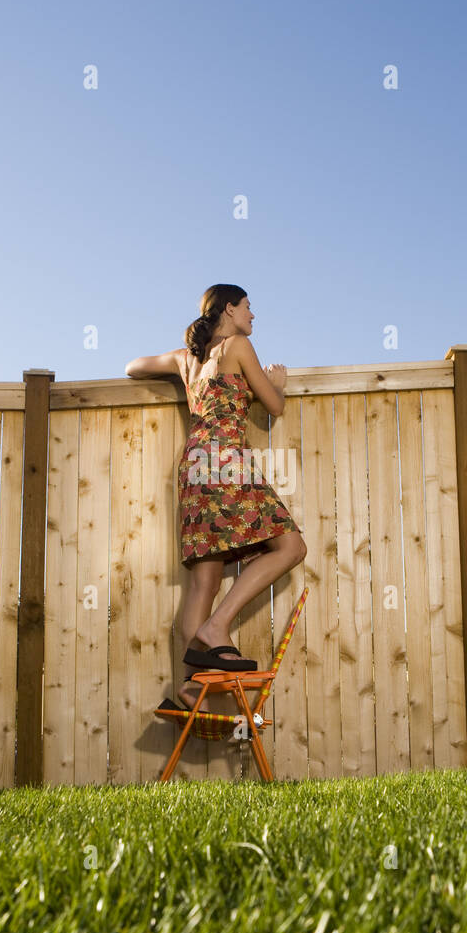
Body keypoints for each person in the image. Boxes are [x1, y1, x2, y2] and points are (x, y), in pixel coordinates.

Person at [125, 284, 307, 708]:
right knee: (291, 545)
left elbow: (132, 366)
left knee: (202, 583)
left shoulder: (186, 359)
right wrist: (277, 384)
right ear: (230, 308)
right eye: (248, 307)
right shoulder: (238, 346)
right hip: (225, 459)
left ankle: (190, 686)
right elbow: (274, 407)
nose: (253, 316)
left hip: (194, 464)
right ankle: (218, 627)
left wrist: (183, 365)